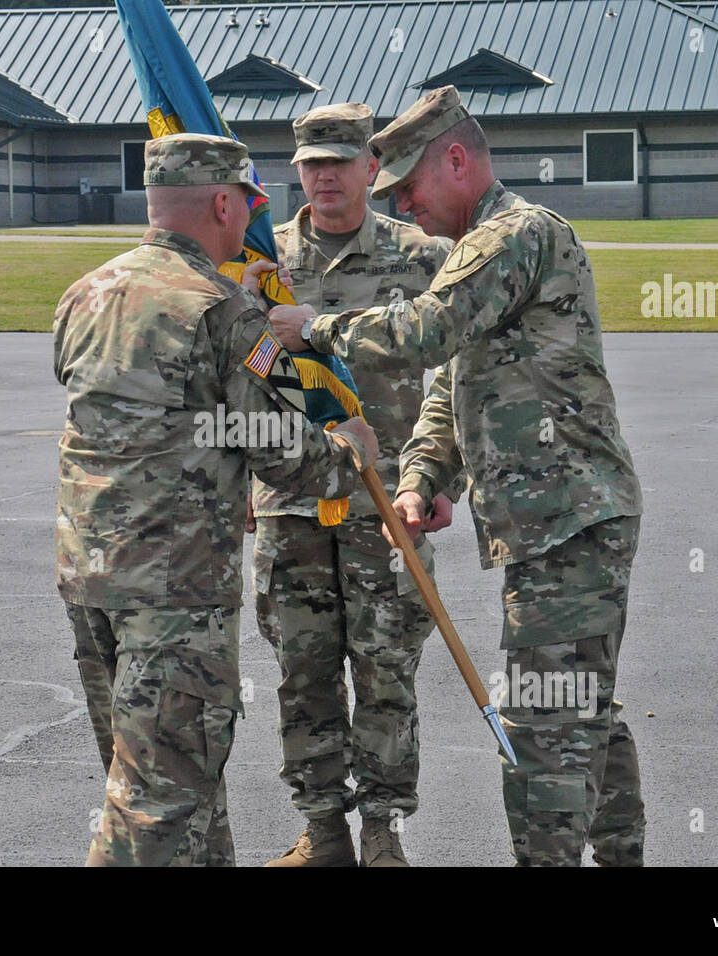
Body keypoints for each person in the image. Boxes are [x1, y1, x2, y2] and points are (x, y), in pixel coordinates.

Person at [270, 86, 646, 867]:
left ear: (457, 159)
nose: (403, 204)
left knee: (545, 725)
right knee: (584, 712)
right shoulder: (481, 248)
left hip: (567, 518)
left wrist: (316, 325)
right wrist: (424, 475)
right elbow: (450, 381)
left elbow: (425, 331)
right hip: (548, 521)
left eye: (407, 186)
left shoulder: (515, 233)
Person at [54, 132, 378, 867]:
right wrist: (351, 452)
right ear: (225, 203)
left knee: (164, 773)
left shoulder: (86, 293)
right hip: (176, 585)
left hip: (91, 574)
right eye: (249, 205)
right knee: (160, 797)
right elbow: (289, 459)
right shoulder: (219, 312)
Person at [251, 103, 452, 867]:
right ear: (296, 171)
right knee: (302, 675)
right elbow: (238, 375)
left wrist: (440, 473)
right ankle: (325, 831)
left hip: (387, 499)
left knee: (387, 672)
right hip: (290, 502)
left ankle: (384, 833)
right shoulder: (264, 265)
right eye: (313, 163)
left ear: (373, 167)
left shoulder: (420, 257)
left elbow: (459, 364)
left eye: (341, 160)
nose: (326, 175)